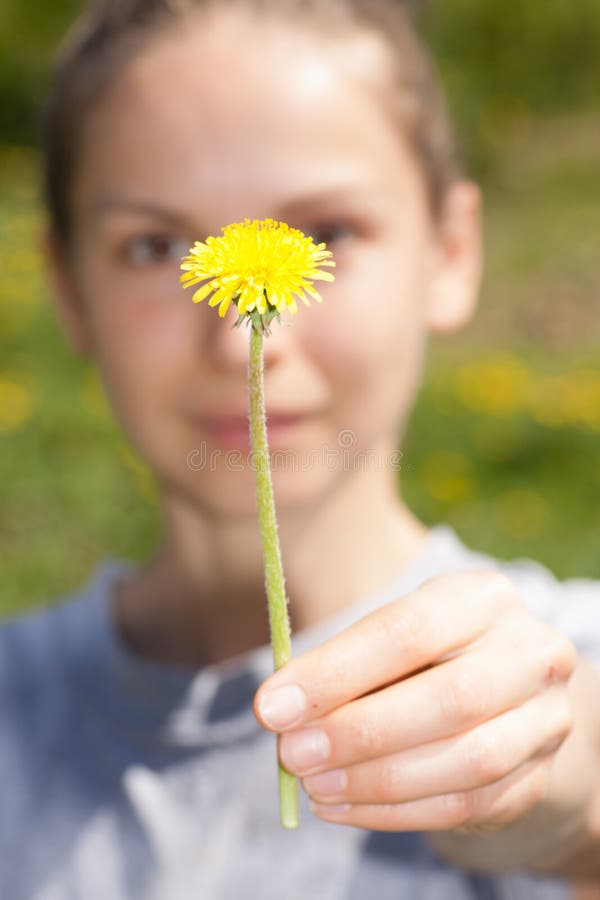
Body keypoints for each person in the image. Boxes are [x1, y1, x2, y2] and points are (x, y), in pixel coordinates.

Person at [1, 0, 599, 897]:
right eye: (156, 245)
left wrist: (553, 794)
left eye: (328, 234)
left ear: (452, 251)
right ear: (69, 290)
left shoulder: (566, 656)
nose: (245, 329)